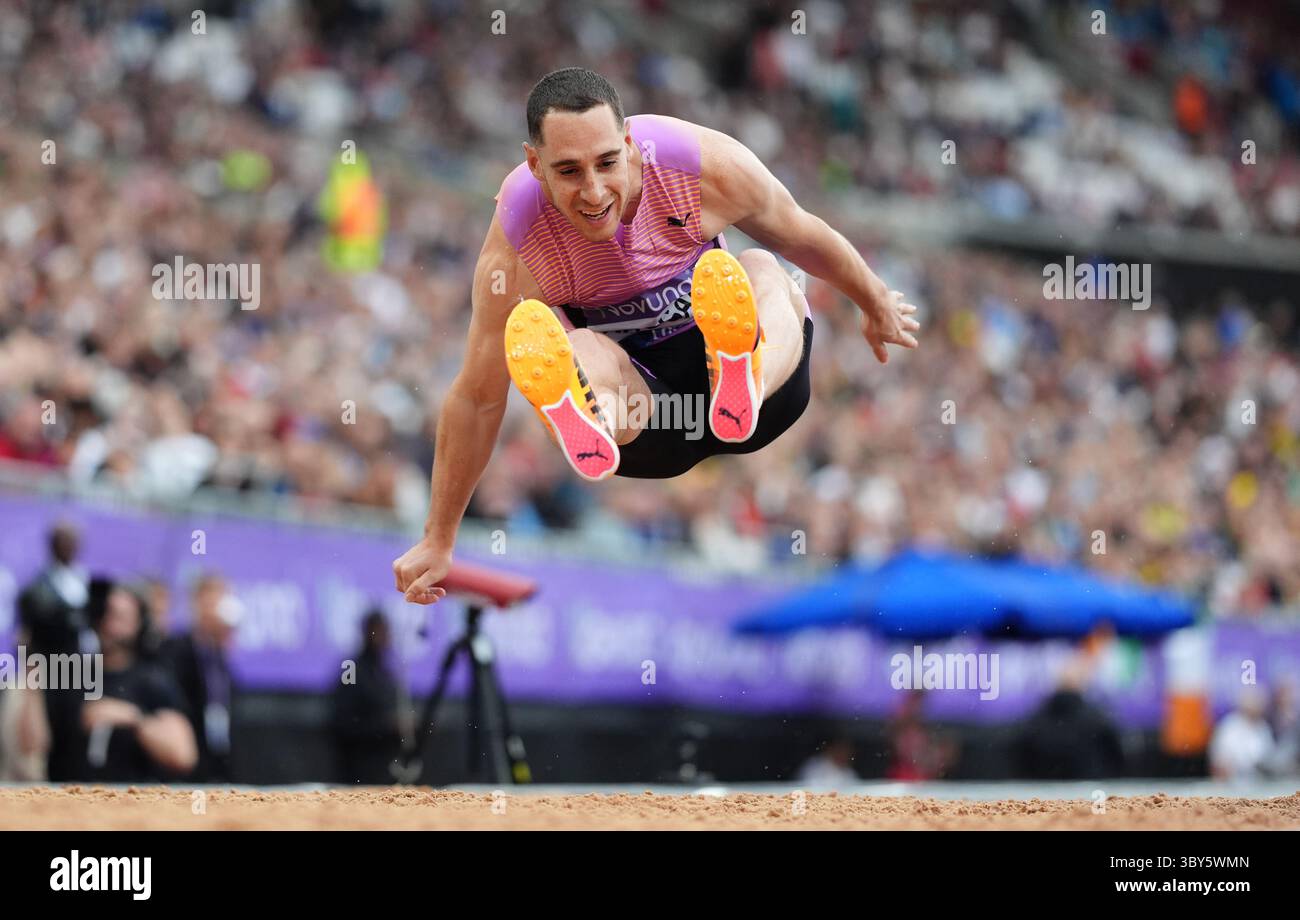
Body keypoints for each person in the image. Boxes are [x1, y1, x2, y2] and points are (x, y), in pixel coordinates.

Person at [393, 67, 919, 604]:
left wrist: (875, 300)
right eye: (569, 172)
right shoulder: (517, 242)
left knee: (765, 267)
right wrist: (439, 536)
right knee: (578, 349)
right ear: (535, 166)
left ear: (628, 143)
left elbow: (802, 233)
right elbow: (479, 396)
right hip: (653, 418)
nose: (594, 192)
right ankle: (589, 416)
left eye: (606, 163)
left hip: (757, 396)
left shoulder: (697, 166)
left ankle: (745, 368)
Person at [79, 578, 197, 782]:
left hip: (134, 802)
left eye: (120, 617)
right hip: (67, 802)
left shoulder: (153, 681)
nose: (109, 625)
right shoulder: (70, 676)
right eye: (105, 613)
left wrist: (133, 717)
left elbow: (183, 755)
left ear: (139, 623)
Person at [160, 574, 239, 782]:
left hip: (218, 756)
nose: (216, 609)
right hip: (187, 755)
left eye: (221, 600)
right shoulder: (177, 649)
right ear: (197, 604)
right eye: (211, 601)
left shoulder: (220, 655)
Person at [332, 609, 407, 784]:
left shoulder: (385, 672)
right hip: (356, 770)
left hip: (383, 771)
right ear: (366, 632)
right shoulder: (350, 668)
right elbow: (342, 721)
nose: (383, 636)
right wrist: (384, 726)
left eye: (385, 631)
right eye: (378, 631)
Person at [1208, 687, 1276, 782]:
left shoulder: (1263, 727)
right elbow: (1219, 758)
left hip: (1258, 783)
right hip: (1232, 783)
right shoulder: (1230, 726)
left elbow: (1269, 757)